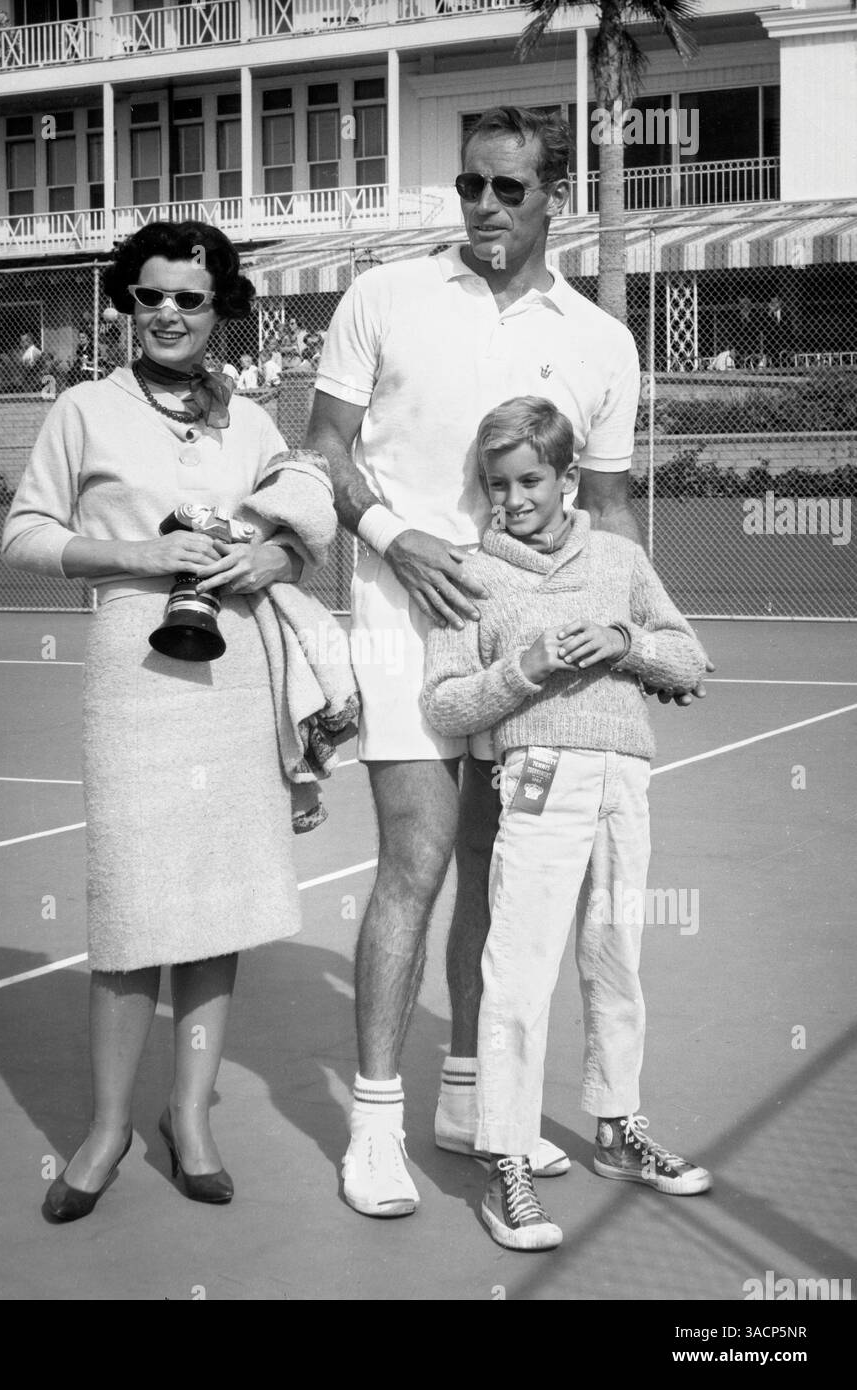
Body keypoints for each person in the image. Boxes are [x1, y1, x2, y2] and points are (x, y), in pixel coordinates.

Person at [306, 104, 709, 1218]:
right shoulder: (382, 295)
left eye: (511, 189)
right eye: (471, 185)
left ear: (554, 197)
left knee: (496, 871)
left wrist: (630, 639)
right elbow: (325, 445)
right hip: (402, 621)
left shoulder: (601, 339)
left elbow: (614, 507)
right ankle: (375, 1125)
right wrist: (394, 537)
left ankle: (465, 1094)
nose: (485, 208)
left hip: (538, 654)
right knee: (419, 859)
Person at [2, 220, 322, 1221]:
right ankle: (106, 1130)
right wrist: (143, 556)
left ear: (218, 305)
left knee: (214, 905)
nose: (169, 314)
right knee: (132, 906)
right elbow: (23, 537)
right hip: (135, 667)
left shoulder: (252, 420)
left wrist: (271, 554)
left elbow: (301, 511)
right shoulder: (84, 410)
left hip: (235, 675)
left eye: (189, 296)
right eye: (149, 297)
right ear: (125, 305)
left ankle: (190, 1118)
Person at [422, 396, 712, 1250]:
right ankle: (505, 1160)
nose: (509, 500)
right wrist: (525, 668)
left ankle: (618, 1132)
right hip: (537, 778)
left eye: (527, 482)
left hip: (625, 778)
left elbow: (689, 660)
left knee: (615, 960)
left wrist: (622, 641)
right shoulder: (470, 573)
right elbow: (444, 703)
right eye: (494, 485)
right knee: (517, 972)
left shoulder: (620, 558)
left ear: (567, 477)